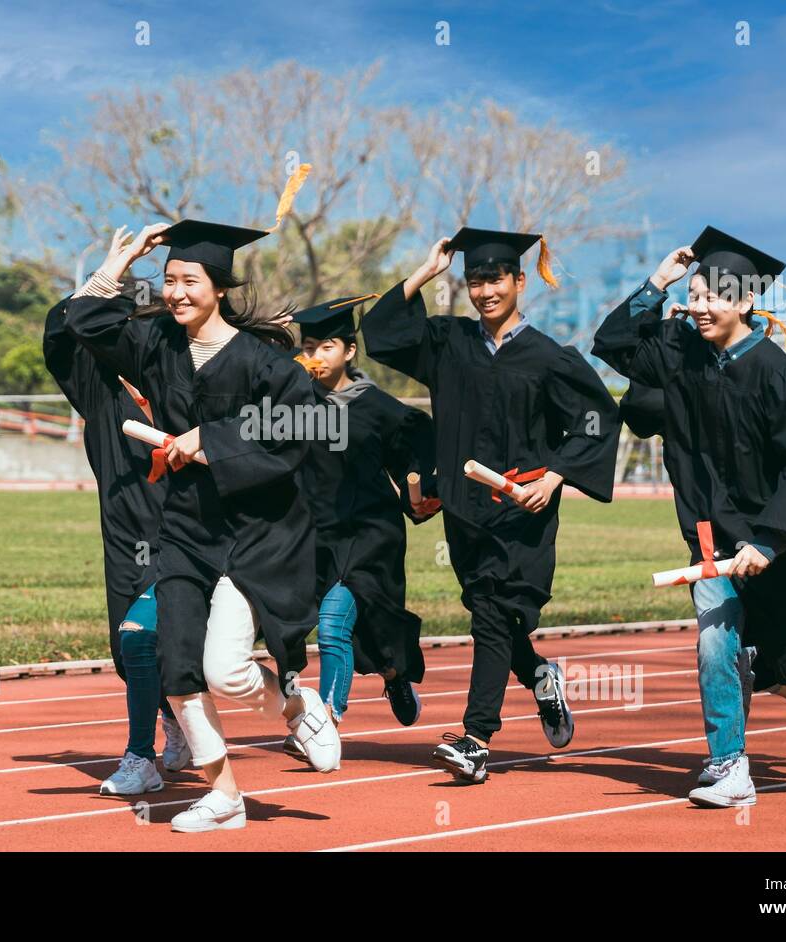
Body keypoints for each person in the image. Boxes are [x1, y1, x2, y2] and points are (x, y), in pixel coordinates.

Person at [61, 217, 340, 832]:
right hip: (187, 525)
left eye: (189, 281)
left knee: (226, 670)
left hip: (256, 530)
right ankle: (225, 797)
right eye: (168, 281)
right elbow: (81, 323)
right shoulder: (156, 342)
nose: (176, 292)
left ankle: (297, 704)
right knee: (176, 664)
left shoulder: (264, 364)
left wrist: (210, 439)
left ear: (217, 287)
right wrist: (120, 264)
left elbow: (303, 429)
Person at [592, 226, 786, 808]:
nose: (700, 307)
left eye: (714, 297)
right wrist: (657, 282)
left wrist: (770, 542)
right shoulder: (680, 351)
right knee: (714, 643)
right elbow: (615, 342)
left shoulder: (785, 378)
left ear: (746, 303)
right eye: (695, 295)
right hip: (710, 533)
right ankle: (729, 766)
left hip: (782, 542)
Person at [361, 227, 620, 784]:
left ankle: (477, 739)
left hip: (522, 509)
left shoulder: (551, 358)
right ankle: (540, 674)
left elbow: (597, 420)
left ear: (519, 281)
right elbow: (379, 333)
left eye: (494, 278)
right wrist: (424, 272)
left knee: (494, 614)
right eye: (474, 280)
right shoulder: (447, 343)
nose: (484, 290)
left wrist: (554, 478)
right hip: (465, 509)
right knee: (489, 611)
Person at [618, 380, 786, 770]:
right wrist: (663, 350)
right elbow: (640, 407)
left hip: (767, 540)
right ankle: (729, 762)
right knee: (720, 650)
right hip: (712, 548)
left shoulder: (765, 384)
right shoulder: (682, 385)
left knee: (783, 651)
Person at [282, 295, 439, 766]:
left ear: (350, 350)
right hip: (315, 537)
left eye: (326, 345)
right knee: (359, 629)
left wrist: (420, 487)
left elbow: (418, 450)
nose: (315, 355)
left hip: (371, 534)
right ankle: (394, 672)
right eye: (307, 346)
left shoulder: (379, 408)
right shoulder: (293, 401)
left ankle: (325, 722)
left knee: (332, 625)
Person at [43, 299, 189, 796]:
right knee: (130, 654)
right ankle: (175, 719)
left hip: (185, 536)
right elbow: (59, 338)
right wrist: (106, 276)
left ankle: (140, 756)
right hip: (125, 540)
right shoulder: (102, 393)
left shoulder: (184, 388)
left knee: (141, 639)